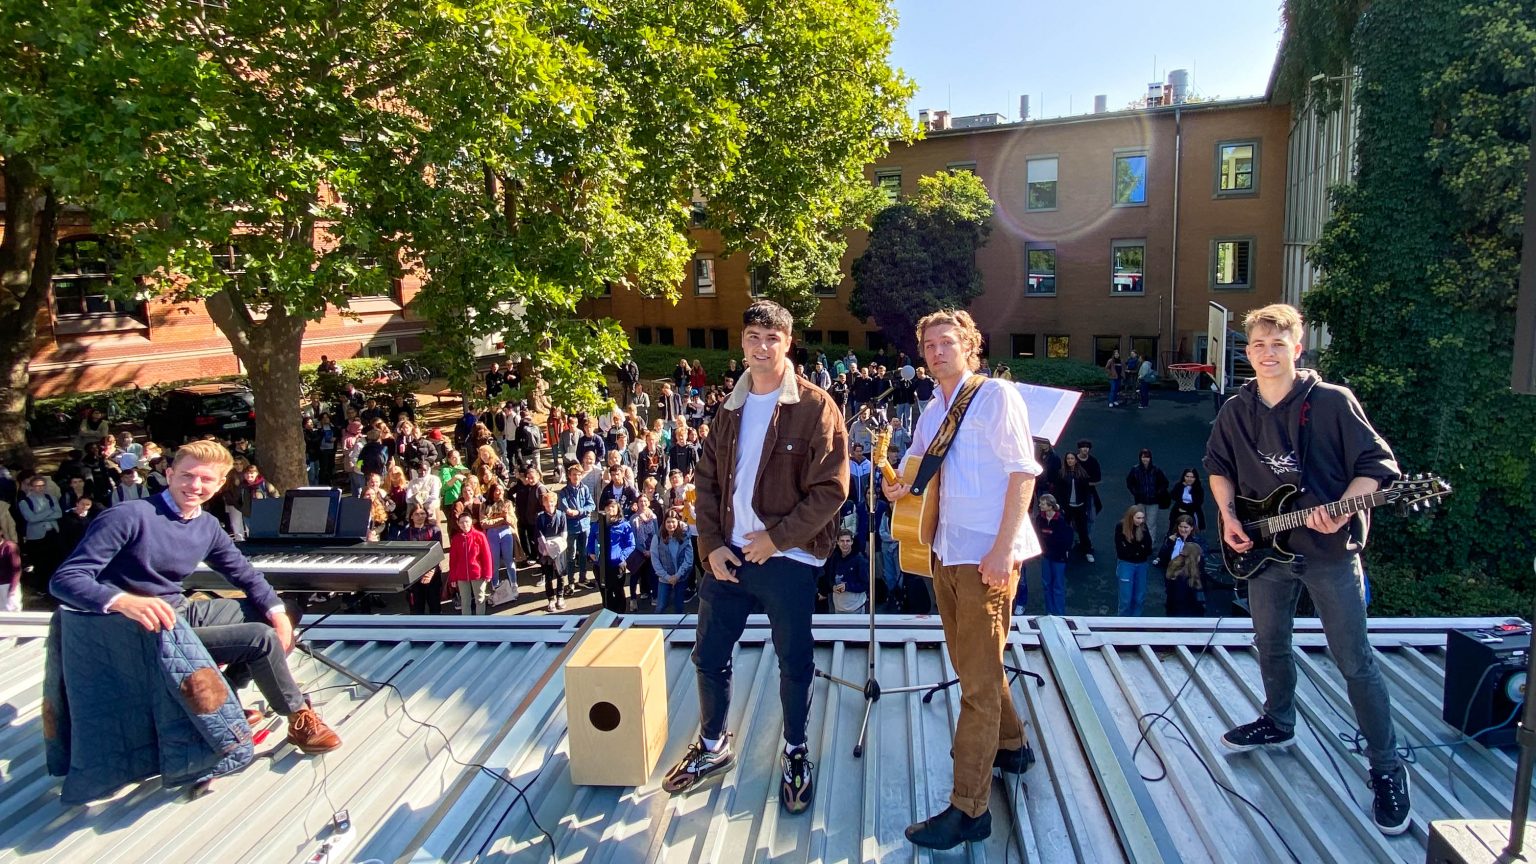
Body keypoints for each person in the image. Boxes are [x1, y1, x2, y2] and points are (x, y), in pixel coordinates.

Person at [1204, 303, 1409, 835]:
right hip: (1265, 551)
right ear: (1245, 352)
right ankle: (1278, 721)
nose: (1267, 354)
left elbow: (1379, 472)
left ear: (1298, 348)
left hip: (1330, 555)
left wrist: (1343, 505)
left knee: (1355, 661)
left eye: (1278, 344)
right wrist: (1228, 516)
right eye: (1257, 345)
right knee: (1269, 644)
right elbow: (1218, 469)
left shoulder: (1332, 403)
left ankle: (1386, 768)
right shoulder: (1235, 409)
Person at [662, 300, 849, 817]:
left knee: (795, 662)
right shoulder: (730, 406)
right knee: (707, 656)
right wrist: (711, 545)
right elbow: (707, 481)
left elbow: (831, 490)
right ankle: (714, 745)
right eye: (752, 337)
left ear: (788, 343)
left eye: (772, 338)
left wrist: (777, 539)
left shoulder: (815, 407)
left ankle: (795, 752)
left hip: (786, 560)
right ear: (742, 343)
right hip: (729, 557)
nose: (761, 347)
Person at [49, 440, 341, 752]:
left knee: (285, 611)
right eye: (187, 476)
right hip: (135, 630)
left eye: (205, 479)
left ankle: (224, 702)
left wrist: (279, 615)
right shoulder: (128, 516)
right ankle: (298, 717)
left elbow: (245, 575)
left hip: (178, 613)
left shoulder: (207, 526)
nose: (195, 485)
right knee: (260, 638)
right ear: (169, 473)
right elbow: (65, 579)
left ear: (219, 485)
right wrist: (123, 601)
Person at [885, 309, 1041, 850]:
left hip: (986, 559)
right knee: (977, 663)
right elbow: (914, 463)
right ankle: (1014, 745)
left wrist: (1003, 551)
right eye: (928, 344)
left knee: (974, 686)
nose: (935, 351)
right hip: (944, 552)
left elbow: (1023, 473)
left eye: (946, 342)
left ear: (970, 346)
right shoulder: (933, 408)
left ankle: (969, 809)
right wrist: (896, 484)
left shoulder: (997, 396)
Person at [395, 503, 446, 614]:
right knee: (417, 610)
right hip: (413, 578)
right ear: (411, 516)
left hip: (432, 576)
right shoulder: (404, 535)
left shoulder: (435, 530)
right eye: (416, 514)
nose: (420, 516)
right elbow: (403, 557)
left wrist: (430, 572)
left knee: (435, 608)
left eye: (422, 513)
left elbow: (437, 553)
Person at [1026, 494, 1072, 616]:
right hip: (1046, 556)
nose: (1040, 505)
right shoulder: (1040, 519)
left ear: (1050, 506)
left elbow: (1067, 539)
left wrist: (1063, 554)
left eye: (1043, 503)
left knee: (1058, 585)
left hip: (1059, 558)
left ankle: (1059, 613)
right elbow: (1038, 535)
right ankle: (1049, 612)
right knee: (1047, 584)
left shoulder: (1061, 520)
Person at [1152, 515, 1206, 617]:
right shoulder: (1172, 539)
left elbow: (1201, 561)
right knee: (1173, 603)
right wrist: (1168, 543)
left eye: (1186, 527)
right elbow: (1162, 556)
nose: (1182, 529)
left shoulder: (1198, 542)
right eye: (1180, 526)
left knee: (1185, 605)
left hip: (1189, 578)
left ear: (1191, 528)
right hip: (1172, 576)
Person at [447, 511, 494, 615]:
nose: (465, 524)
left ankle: (480, 622)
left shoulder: (480, 536)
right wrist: (453, 577)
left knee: (480, 599)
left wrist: (488, 573)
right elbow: (453, 560)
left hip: (478, 574)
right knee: (465, 601)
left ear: (471, 522)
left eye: (467, 522)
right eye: (462, 522)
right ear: (458, 524)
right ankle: (467, 624)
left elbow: (486, 556)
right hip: (462, 575)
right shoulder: (456, 539)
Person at [1053, 452, 1097, 562]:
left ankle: (1087, 551)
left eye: (1072, 458)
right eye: (1068, 458)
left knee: (1083, 530)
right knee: (1066, 529)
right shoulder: (1061, 474)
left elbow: (1087, 492)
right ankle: (1065, 550)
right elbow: (1058, 491)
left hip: (1080, 506)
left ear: (1075, 460)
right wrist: (1060, 505)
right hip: (1067, 507)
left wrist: (1086, 507)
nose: (1070, 460)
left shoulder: (1082, 474)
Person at [559, 463, 595, 588]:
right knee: (571, 554)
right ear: (569, 476)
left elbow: (592, 505)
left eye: (579, 475)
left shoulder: (584, 489)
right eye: (574, 475)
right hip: (571, 528)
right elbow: (564, 508)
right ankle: (570, 581)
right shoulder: (564, 492)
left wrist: (579, 511)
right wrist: (570, 512)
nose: (576, 477)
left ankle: (582, 578)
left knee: (583, 553)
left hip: (584, 526)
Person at [1112, 505, 1153, 615]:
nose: (1141, 521)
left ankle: (1136, 623)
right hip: (1126, 564)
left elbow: (1148, 547)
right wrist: (1139, 551)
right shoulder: (1121, 527)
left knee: (1139, 598)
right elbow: (1121, 550)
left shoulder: (1143, 528)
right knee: (1126, 599)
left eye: (1142, 518)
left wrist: (1135, 551)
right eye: (1138, 518)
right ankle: (1123, 625)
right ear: (1131, 517)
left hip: (1141, 564)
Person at [651, 508, 693, 614]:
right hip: (664, 579)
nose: (671, 524)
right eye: (668, 522)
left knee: (679, 607)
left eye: (673, 521)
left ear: (678, 522)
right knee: (660, 606)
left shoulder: (685, 537)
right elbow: (655, 559)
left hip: (681, 578)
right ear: (664, 523)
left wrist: (677, 576)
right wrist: (667, 577)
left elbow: (688, 559)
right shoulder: (658, 537)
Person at [534, 491, 569, 612]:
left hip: (559, 548)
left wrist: (558, 546)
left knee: (560, 574)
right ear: (544, 504)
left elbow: (564, 533)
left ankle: (560, 596)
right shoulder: (540, 517)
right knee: (548, 576)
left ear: (556, 503)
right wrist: (546, 548)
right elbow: (539, 534)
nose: (550, 505)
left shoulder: (561, 515)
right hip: (545, 550)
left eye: (552, 503)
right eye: (547, 503)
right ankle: (551, 599)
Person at [1125, 448, 1171, 541]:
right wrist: (1135, 492)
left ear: (1150, 458)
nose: (1145, 459)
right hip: (1140, 500)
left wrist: (1158, 492)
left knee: (1151, 523)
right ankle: (1140, 540)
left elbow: (1165, 482)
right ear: (1140, 458)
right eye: (1143, 457)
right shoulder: (1135, 470)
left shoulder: (1156, 470)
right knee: (1140, 522)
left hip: (1153, 501)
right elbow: (1129, 483)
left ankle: (1150, 543)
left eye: (1147, 457)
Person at [819, 529, 869, 614]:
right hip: (838, 607)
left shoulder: (860, 560)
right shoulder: (834, 558)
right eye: (842, 541)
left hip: (856, 608)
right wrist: (833, 587)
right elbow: (830, 579)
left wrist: (847, 587)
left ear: (852, 542)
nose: (845, 544)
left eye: (848, 541)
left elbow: (866, 584)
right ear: (837, 542)